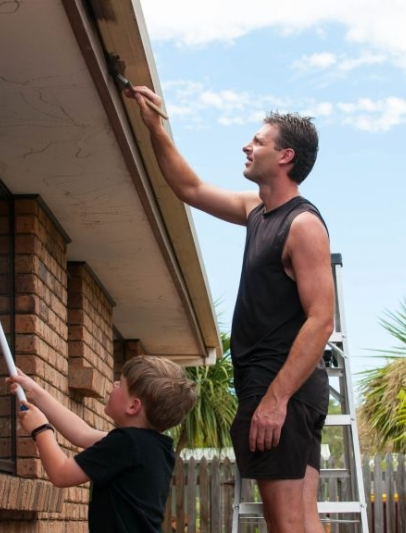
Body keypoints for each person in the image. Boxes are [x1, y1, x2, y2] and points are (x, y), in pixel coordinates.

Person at [127, 87, 335, 533]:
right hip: (283, 388)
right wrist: (155, 128)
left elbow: (322, 319)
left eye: (258, 141)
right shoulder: (259, 211)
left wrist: (275, 400)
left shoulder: (303, 226)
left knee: (287, 525)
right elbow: (190, 187)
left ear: (285, 157)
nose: (247, 145)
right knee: (303, 521)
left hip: (281, 386)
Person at [7, 355, 197, 533]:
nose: (114, 384)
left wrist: (40, 429)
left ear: (133, 406)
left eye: (120, 384)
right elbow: (82, 433)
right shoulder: (153, 446)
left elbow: (61, 474)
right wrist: (35, 392)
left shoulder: (127, 443)